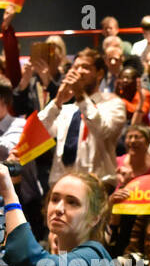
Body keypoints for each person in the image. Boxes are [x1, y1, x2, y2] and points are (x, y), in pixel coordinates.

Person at [40, 47, 127, 183]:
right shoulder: (64, 109)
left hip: (97, 184)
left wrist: (80, 95)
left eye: (85, 67)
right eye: (76, 67)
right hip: (61, 182)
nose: (79, 72)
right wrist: (58, 100)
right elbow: (38, 132)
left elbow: (103, 131)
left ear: (99, 74)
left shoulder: (113, 104)